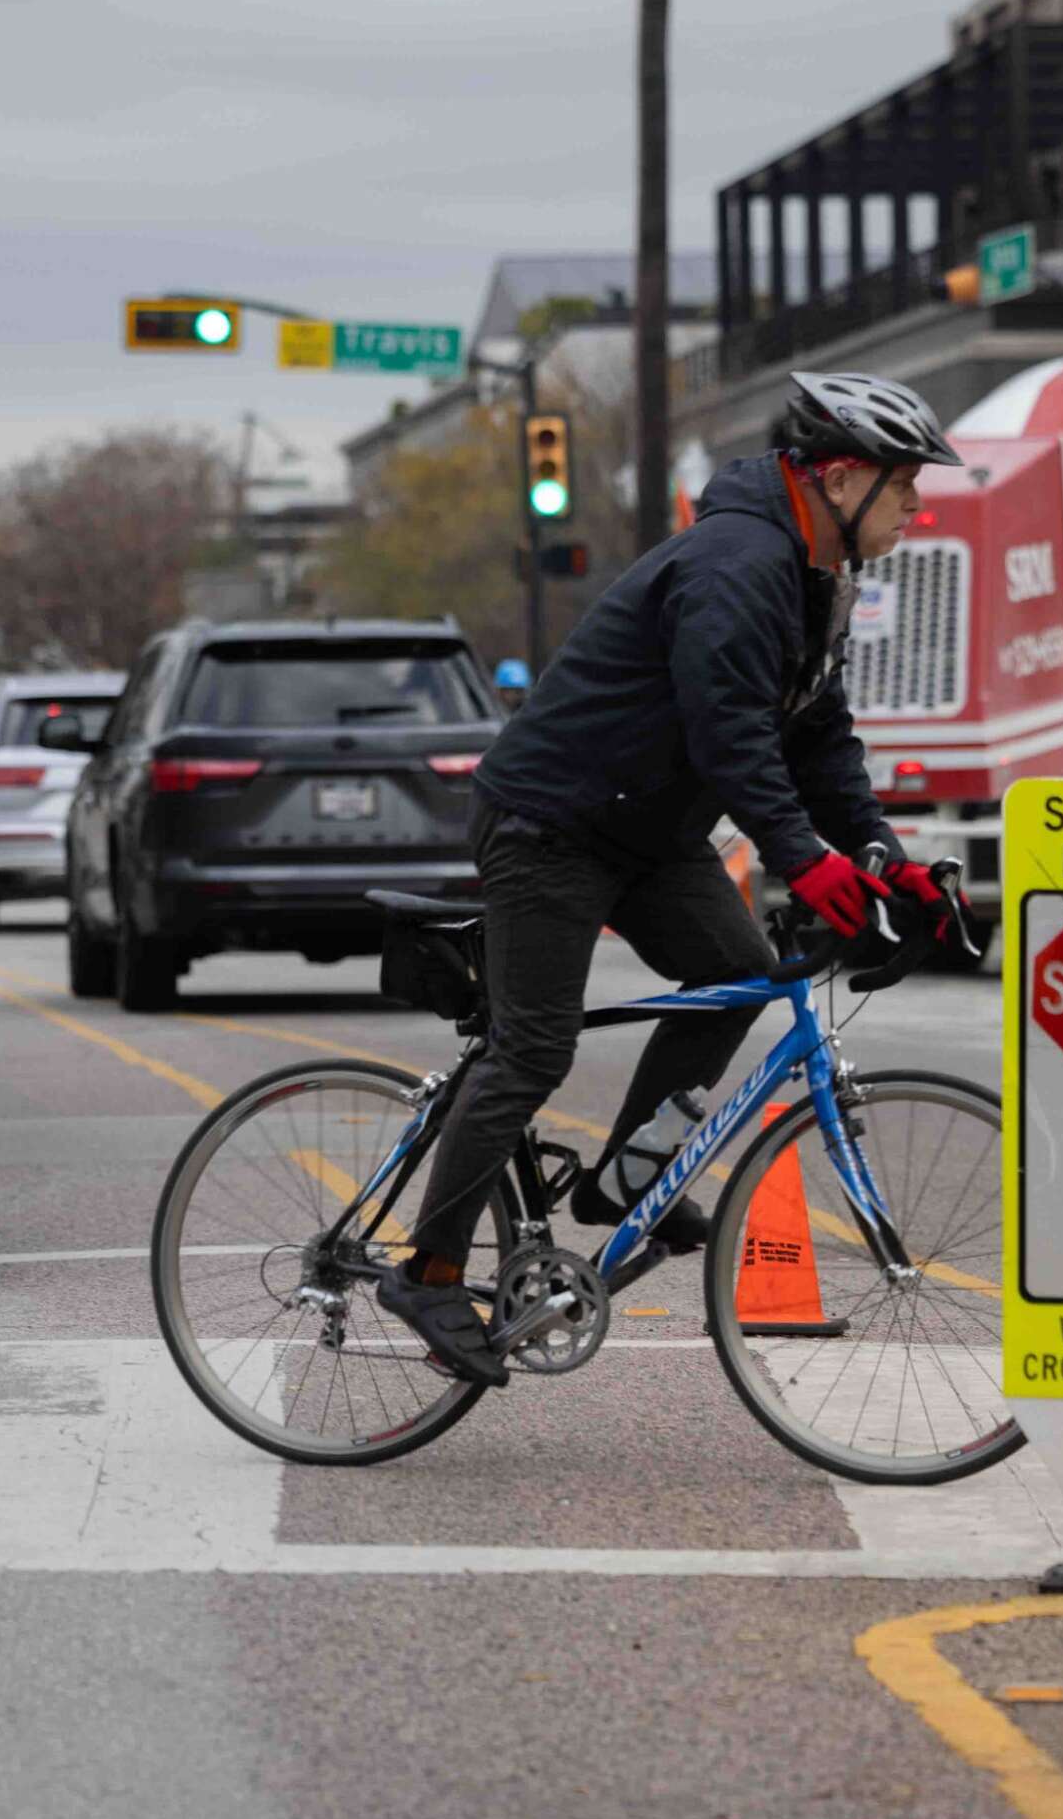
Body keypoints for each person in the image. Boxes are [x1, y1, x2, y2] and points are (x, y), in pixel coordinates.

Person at [375, 371, 963, 1387]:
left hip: (643, 830)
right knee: (534, 1046)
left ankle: (622, 1179)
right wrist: (801, 857)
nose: (918, 505)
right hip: (551, 823)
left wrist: (879, 857)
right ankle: (427, 1269)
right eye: (905, 484)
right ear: (840, 476)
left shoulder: (816, 574)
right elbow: (727, 731)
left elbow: (819, 738)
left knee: (736, 971)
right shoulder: (739, 564)